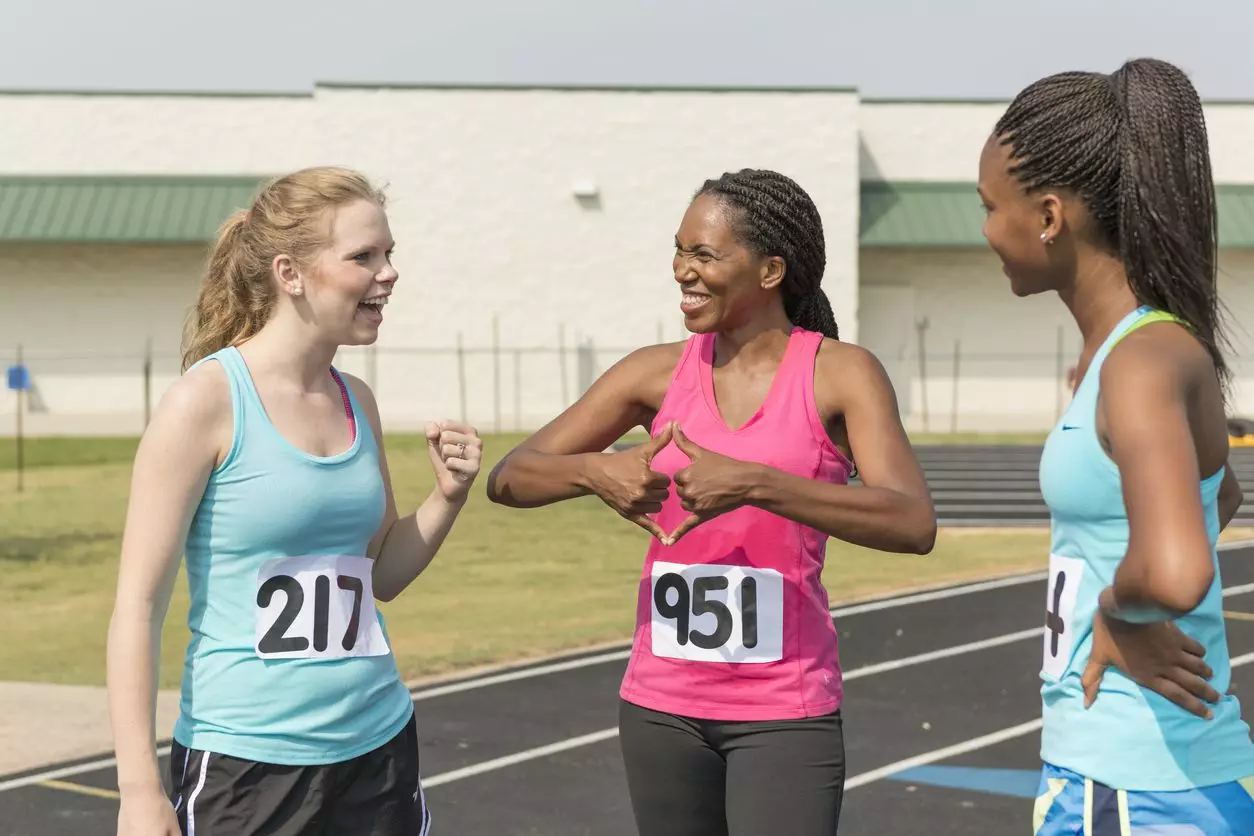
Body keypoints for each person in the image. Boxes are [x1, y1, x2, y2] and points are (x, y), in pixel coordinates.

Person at [487, 168, 937, 835]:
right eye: (679, 250)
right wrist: (593, 472)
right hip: (660, 707)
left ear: (769, 270)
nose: (682, 270)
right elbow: (511, 476)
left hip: (785, 712)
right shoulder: (654, 372)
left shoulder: (840, 374)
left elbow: (912, 520)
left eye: (704, 254)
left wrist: (754, 482)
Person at [106, 166, 483, 836]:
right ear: (290, 273)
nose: (388, 273)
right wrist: (138, 789)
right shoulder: (206, 402)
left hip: (377, 746)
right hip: (248, 765)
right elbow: (139, 605)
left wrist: (447, 498)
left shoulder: (356, 400)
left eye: (389, 253)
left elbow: (378, 576)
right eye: (363, 256)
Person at [977, 58, 1254, 834]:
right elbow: (1219, 495)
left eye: (990, 206)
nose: (985, 230)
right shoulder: (1130, 355)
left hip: (1137, 787)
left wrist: (1115, 609)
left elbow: (1175, 569)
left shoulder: (1136, 363)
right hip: (1131, 776)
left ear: (1049, 215)